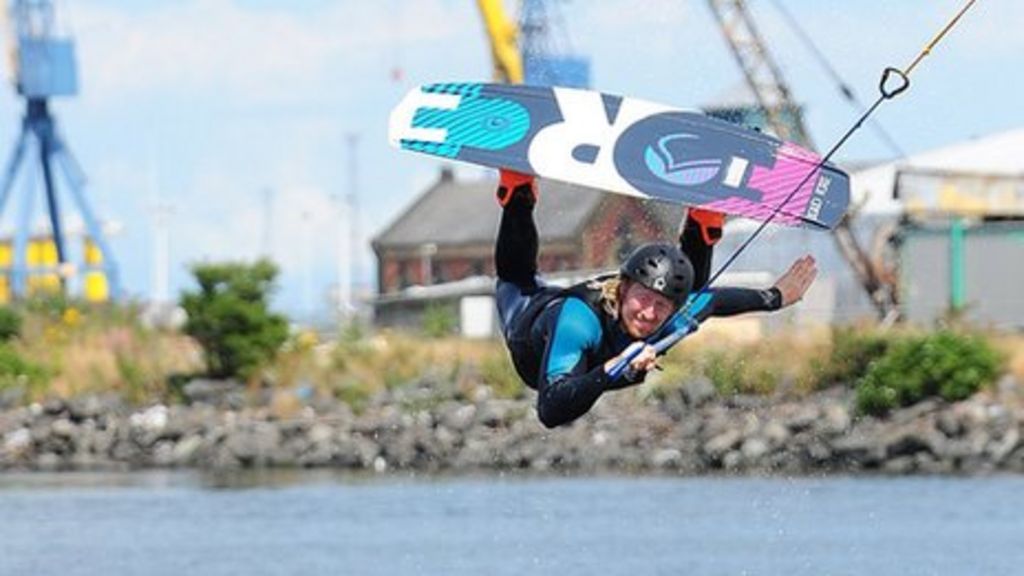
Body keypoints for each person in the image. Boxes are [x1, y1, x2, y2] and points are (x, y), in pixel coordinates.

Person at [493, 169, 818, 428]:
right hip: (529, 319)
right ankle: (517, 187)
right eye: (642, 299)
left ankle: (703, 222)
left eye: (661, 305)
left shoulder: (673, 314)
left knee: (691, 286)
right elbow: (550, 411)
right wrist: (614, 367)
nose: (648, 313)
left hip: (607, 335)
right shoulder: (577, 322)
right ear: (622, 290)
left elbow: (714, 301)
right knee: (515, 277)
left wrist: (776, 297)